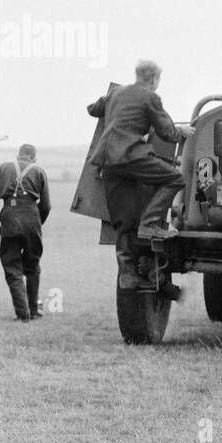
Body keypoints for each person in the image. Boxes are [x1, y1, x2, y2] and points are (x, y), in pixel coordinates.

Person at [87, 62, 192, 289]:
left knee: (123, 221)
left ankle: (127, 275)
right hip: (129, 155)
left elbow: (93, 109)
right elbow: (166, 132)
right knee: (175, 178)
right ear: (154, 79)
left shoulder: (116, 92)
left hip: (107, 161)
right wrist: (181, 132)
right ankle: (150, 222)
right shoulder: (150, 97)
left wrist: (103, 106)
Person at [0, 144, 51, 320]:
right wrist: (37, 223)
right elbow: (46, 206)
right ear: (34, 158)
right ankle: (34, 310)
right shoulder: (39, 171)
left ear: (18, 155)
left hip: (9, 220)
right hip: (32, 220)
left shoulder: (3, 168)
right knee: (32, 266)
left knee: (12, 267)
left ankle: (23, 314)